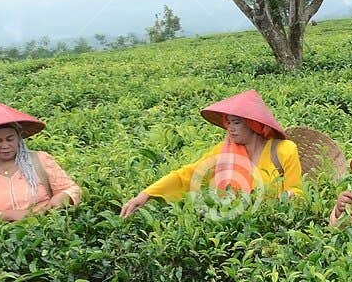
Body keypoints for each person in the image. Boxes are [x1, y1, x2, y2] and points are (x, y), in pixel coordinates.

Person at [120, 90, 302, 216]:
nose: (230, 128)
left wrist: (286, 199)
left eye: (236, 122)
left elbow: (295, 189)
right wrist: (146, 194)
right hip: (235, 225)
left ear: (254, 125)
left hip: (274, 226)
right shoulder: (224, 152)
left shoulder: (284, 150)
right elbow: (189, 174)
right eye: (228, 123)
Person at [0, 98, 82, 224]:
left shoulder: (41, 160)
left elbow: (72, 189)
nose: (5, 145)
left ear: (19, 138)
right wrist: (7, 215)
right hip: (5, 236)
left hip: (47, 225)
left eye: (10, 139)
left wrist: (62, 198)